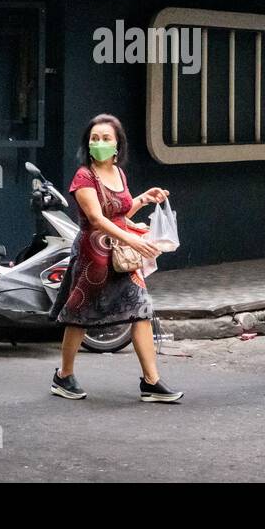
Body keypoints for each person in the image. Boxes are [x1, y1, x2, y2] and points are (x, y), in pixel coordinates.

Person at [48, 113, 183, 403]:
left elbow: (119, 213)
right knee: (79, 316)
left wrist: (143, 200)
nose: (99, 143)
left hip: (121, 258)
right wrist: (132, 237)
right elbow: (96, 219)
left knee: (141, 310)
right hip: (93, 257)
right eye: (94, 138)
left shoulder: (119, 174)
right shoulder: (84, 176)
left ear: (117, 145)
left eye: (106, 138)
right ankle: (63, 375)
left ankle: (151, 381)